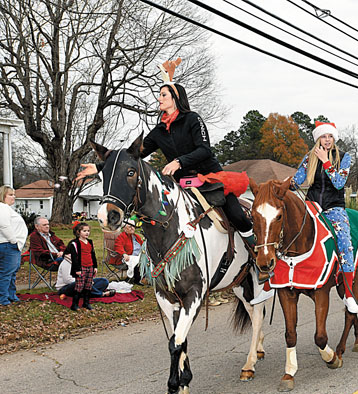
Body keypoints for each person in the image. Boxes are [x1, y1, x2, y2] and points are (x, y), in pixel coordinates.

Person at [76, 58, 255, 247]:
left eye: (163, 95)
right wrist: (99, 167)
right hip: (181, 186)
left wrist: (179, 162)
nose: (159, 99)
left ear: (175, 99)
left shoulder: (193, 119)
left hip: (210, 180)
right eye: (159, 95)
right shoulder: (159, 131)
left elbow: (204, 149)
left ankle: (255, 252)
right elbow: (132, 157)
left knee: (238, 216)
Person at [289, 120, 358, 313]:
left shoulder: (344, 157)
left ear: (334, 138)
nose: (327, 140)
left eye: (330, 136)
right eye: (323, 136)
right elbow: (297, 181)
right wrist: (284, 186)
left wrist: (325, 161)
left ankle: (349, 294)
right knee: (289, 231)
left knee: (344, 241)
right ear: (318, 138)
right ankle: (277, 280)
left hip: (334, 207)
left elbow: (339, 182)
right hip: (312, 204)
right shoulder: (309, 157)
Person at [0, 186, 28, 306]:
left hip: (11, 246)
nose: (13, 197)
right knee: (6, 274)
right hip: (9, 246)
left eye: (14, 195)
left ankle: (11, 295)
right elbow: (4, 225)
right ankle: (3, 299)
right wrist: (13, 241)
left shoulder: (7, 209)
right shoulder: (3, 208)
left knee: (11, 273)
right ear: (3, 196)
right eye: (10, 195)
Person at [64, 222, 98, 311]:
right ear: (78, 232)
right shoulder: (74, 243)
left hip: (90, 266)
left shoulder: (90, 242)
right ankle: (74, 304)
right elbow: (74, 258)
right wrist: (77, 269)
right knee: (79, 286)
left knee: (88, 285)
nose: (87, 233)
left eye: (88, 231)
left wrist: (95, 266)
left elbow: (93, 255)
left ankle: (86, 303)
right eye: (84, 231)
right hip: (81, 267)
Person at [114, 218, 143, 284]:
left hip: (138, 255)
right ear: (124, 228)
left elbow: (142, 245)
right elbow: (118, 246)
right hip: (127, 257)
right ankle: (136, 279)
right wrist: (124, 254)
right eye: (130, 226)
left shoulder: (137, 236)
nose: (132, 228)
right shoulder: (121, 236)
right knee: (136, 261)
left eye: (133, 226)